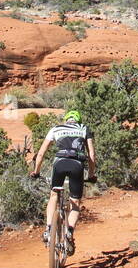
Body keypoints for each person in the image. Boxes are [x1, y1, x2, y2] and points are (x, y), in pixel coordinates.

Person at [30, 109, 96, 255]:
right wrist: (91, 174)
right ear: (77, 120)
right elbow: (91, 154)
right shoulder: (83, 128)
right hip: (76, 165)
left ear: (66, 119)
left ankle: (48, 229)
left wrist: (36, 171)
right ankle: (69, 232)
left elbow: (41, 152)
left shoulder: (56, 129)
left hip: (59, 164)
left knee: (54, 195)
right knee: (75, 203)